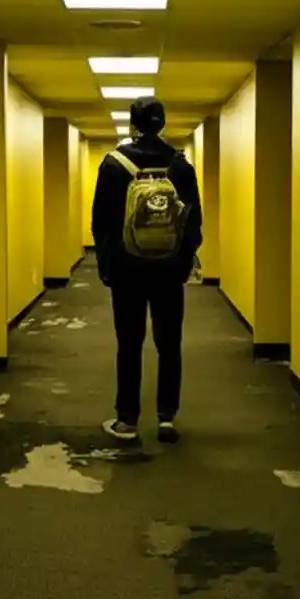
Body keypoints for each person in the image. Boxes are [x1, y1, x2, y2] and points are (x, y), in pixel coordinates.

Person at [92, 96, 202, 444]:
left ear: (133, 123)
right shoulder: (180, 166)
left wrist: (107, 267)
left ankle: (127, 420)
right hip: (168, 269)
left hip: (127, 269)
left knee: (129, 343)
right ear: (163, 123)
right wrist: (183, 260)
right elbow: (193, 221)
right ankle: (166, 418)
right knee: (169, 344)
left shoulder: (113, 164)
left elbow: (101, 222)